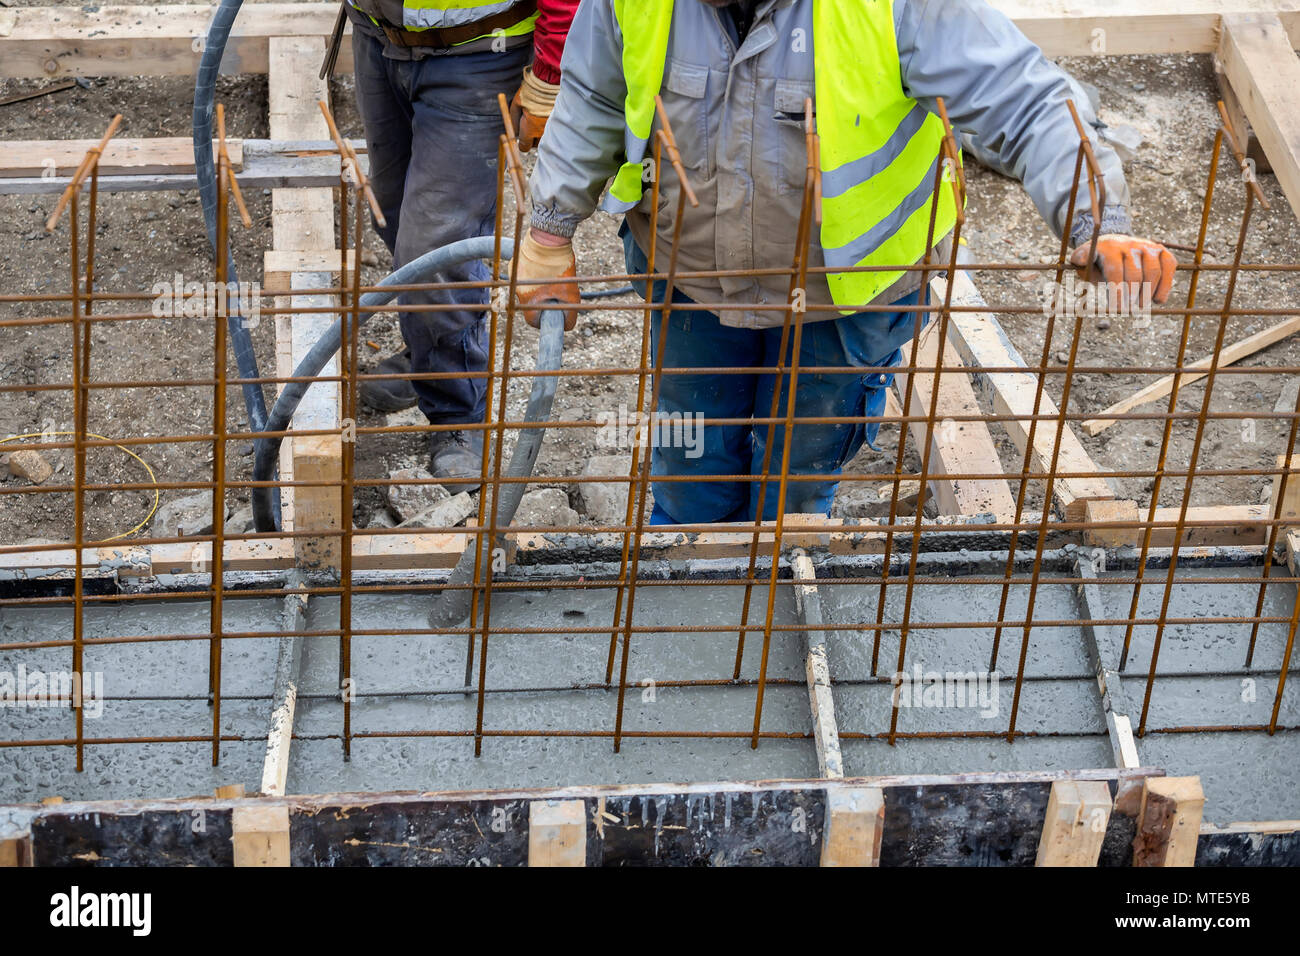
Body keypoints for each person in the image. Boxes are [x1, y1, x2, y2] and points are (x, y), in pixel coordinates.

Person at [516, 0, 1177, 525]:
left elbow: (1028, 99)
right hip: (693, 282)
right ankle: (694, 588)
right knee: (693, 464)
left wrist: (1094, 220)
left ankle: (785, 595)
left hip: (847, 297)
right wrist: (548, 232)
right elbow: (595, 99)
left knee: (794, 486)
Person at [344, 0, 579, 481]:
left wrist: (551, 68)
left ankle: (457, 413)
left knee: (434, 249)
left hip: (478, 51)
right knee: (392, 215)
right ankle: (428, 345)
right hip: (376, 34)